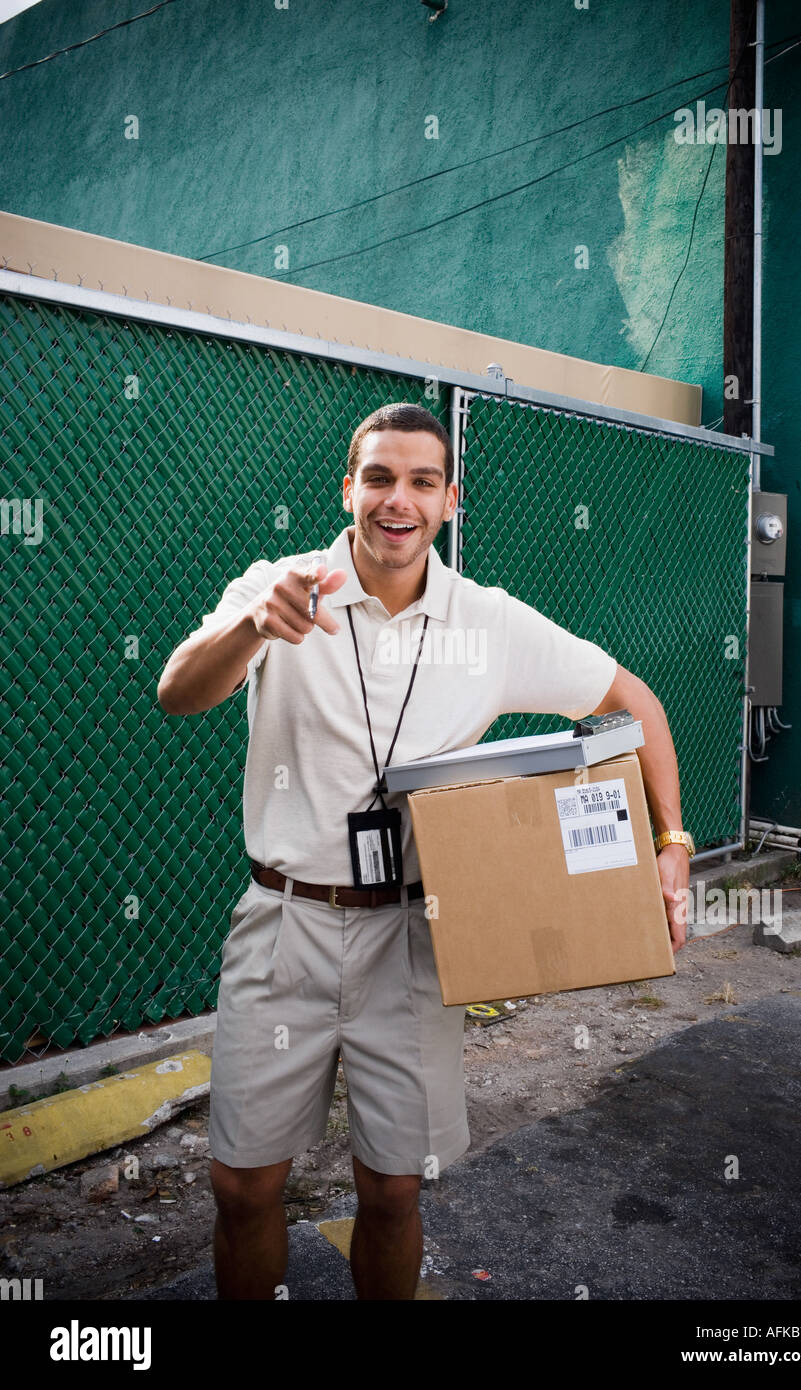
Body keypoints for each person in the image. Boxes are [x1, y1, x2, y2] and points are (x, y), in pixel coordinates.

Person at [156, 402, 692, 1301]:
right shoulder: (284, 586)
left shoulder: (489, 624)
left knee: (396, 1188)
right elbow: (177, 692)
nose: (395, 500)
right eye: (378, 478)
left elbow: (637, 707)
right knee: (241, 1185)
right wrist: (250, 626)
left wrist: (670, 844)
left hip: (413, 936)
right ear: (349, 490)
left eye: (419, 481)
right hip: (283, 924)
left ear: (449, 500)